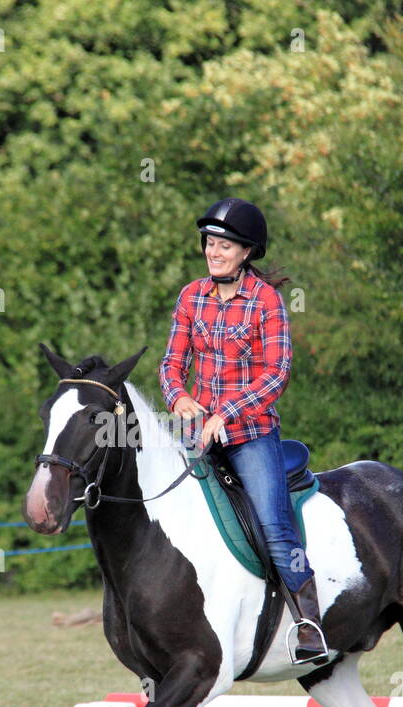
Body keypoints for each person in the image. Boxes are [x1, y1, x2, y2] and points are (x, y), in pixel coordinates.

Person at [159, 197, 328, 664]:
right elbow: (172, 362)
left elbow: (276, 374)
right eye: (210, 243)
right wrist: (179, 398)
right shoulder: (191, 296)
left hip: (251, 434)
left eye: (225, 246)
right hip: (197, 431)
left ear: (247, 252)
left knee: (274, 525)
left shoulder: (267, 301)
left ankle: (309, 622)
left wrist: (224, 413)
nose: (214, 252)